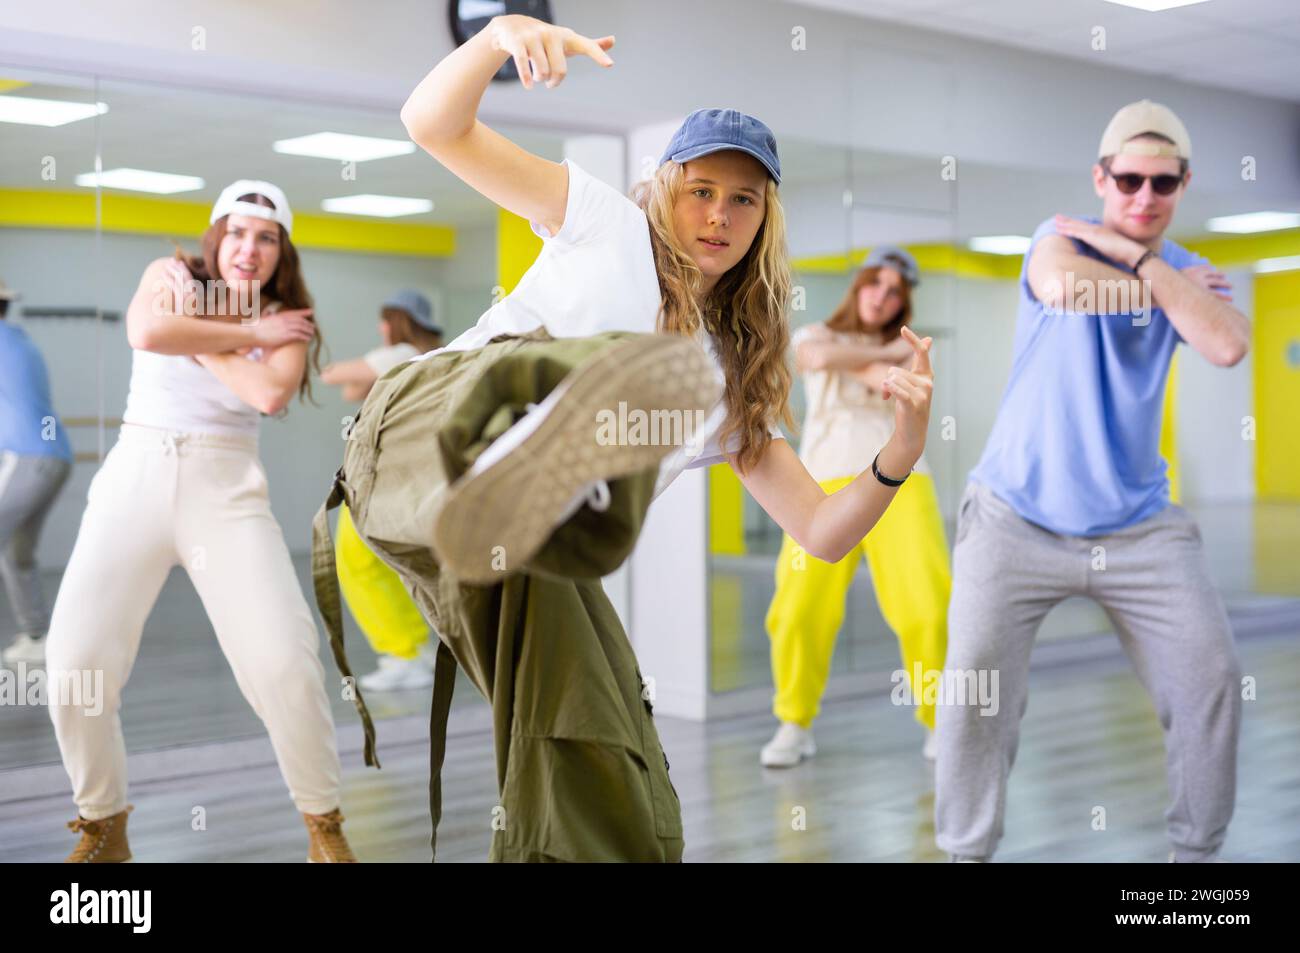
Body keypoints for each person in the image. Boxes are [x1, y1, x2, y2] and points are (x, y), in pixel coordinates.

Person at [310, 12, 935, 863]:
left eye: (742, 199)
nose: (718, 215)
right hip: (415, 437)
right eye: (700, 190)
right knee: (552, 378)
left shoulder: (727, 380)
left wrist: (901, 448)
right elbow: (433, 124)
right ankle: (550, 421)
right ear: (665, 187)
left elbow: (822, 534)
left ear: (764, 217)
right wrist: (498, 35)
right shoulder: (605, 224)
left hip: (517, 545)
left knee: (608, 759)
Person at [934, 101, 1249, 863]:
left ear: (1183, 184)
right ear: (1101, 179)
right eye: (1130, 180)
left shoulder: (1161, 263)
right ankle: (965, 852)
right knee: (973, 689)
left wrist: (1140, 260)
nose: (1145, 197)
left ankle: (1194, 862)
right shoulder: (1059, 238)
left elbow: (1229, 343)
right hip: (1013, 517)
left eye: (1163, 183)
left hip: (1139, 525)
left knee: (1214, 677)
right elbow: (1068, 289)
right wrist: (1171, 281)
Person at [46, 181, 360, 863]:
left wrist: (198, 338)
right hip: (135, 474)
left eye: (267, 236)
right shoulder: (170, 274)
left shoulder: (292, 319)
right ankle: (104, 827)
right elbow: (148, 330)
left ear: (282, 251)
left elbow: (267, 391)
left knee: (285, 663)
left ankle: (324, 825)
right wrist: (244, 334)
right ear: (218, 235)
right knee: (74, 662)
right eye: (238, 232)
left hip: (226, 491)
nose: (250, 248)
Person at [762, 246, 950, 767]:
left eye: (895, 293)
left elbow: (888, 380)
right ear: (859, 285)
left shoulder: (906, 351)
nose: (882, 297)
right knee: (798, 610)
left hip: (902, 485)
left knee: (927, 608)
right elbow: (816, 357)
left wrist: (886, 362)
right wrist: (881, 358)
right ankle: (793, 723)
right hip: (820, 485)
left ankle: (941, 722)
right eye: (875, 284)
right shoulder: (815, 335)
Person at [321, 290, 444, 691]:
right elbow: (353, 393)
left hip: (383, 475)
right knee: (382, 562)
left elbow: (333, 377)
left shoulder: (399, 354)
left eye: (383, 320)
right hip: (409, 473)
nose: (380, 328)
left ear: (397, 322)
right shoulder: (431, 355)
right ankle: (415, 650)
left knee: (354, 561)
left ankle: (404, 654)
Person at [0, 278, 72, 666]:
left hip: (31, 458)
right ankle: (37, 635)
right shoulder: (18, 341)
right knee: (16, 552)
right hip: (52, 459)